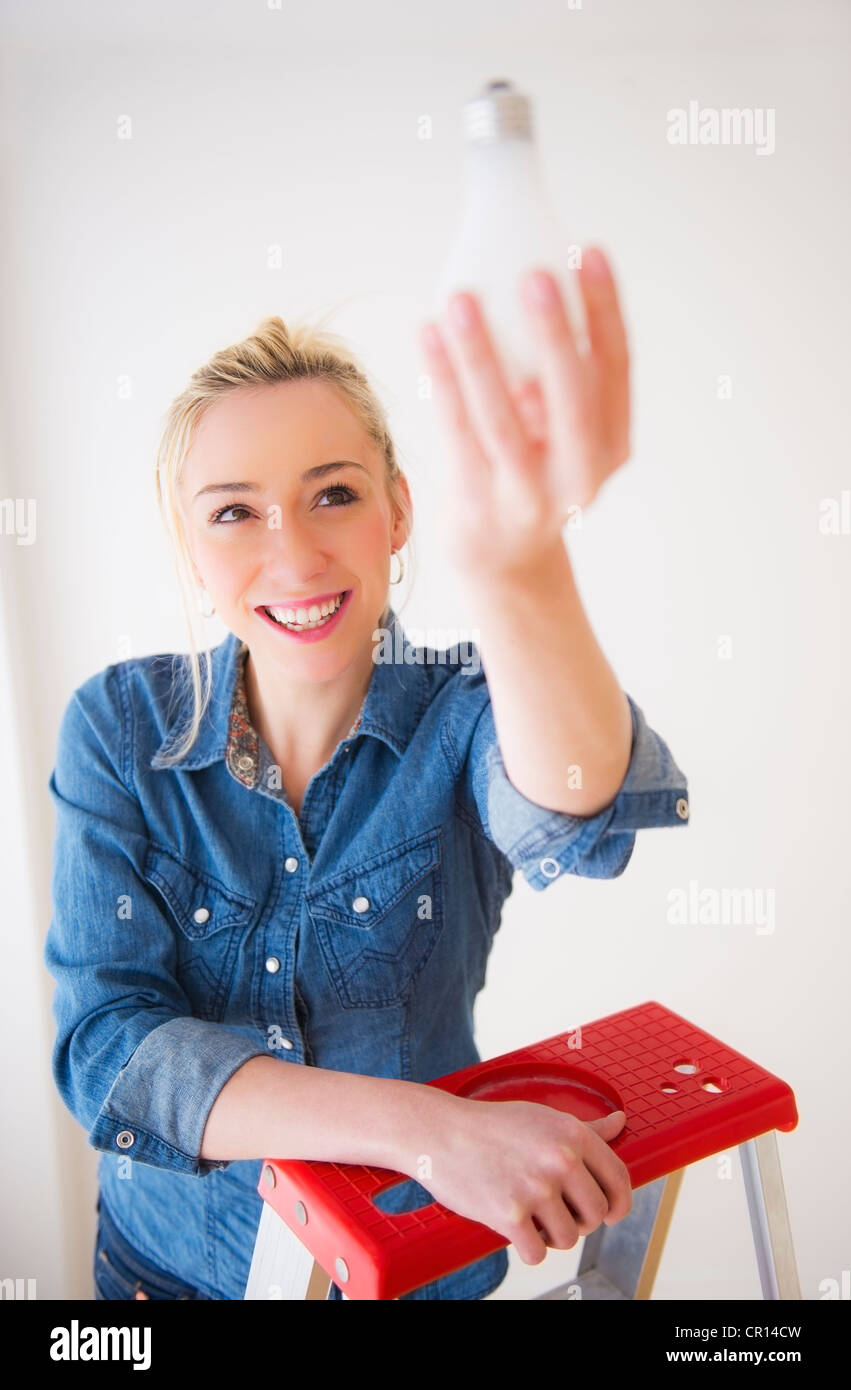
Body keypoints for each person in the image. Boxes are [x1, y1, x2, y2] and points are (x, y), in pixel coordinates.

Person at [44, 249, 690, 1301]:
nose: (292, 553)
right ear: (187, 548)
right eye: (234, 510)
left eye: (331, 494)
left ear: (396, 514)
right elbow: (113, 1052)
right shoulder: (117, 730)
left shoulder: (467, 707)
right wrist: (430, 1134)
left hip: (408, 1277)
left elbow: (571, 805)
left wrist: (520, 567)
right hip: (159, 1276)